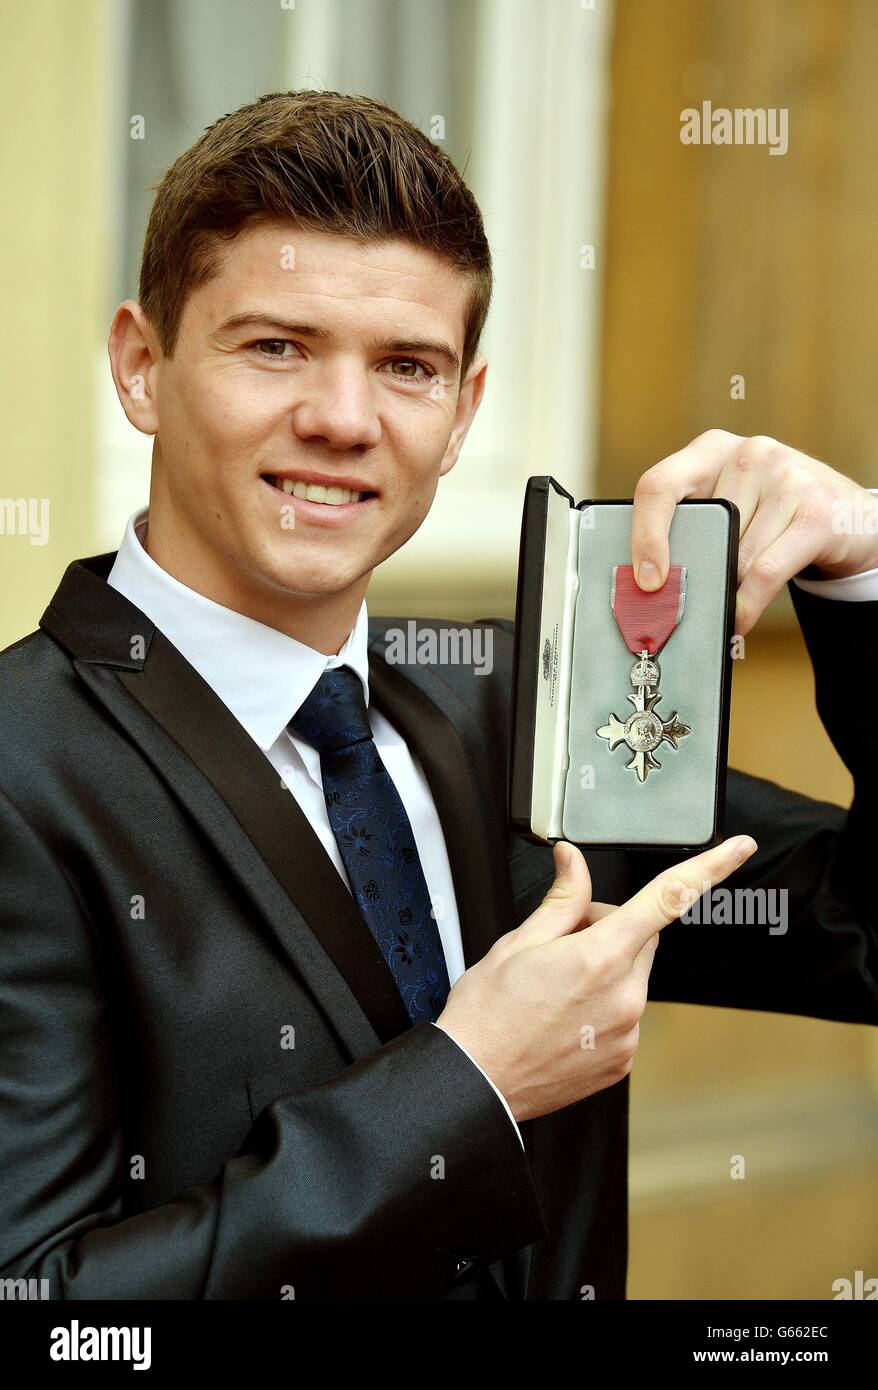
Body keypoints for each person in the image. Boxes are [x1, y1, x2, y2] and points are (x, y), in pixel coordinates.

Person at [0, 90, 875, 1301]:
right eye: (275, 347)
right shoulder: (20, 770)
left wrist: (865, 567)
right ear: (142, 368)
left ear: (462, 412)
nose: (341, 419)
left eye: (405, 367)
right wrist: (467, 1088)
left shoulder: (520, 704)